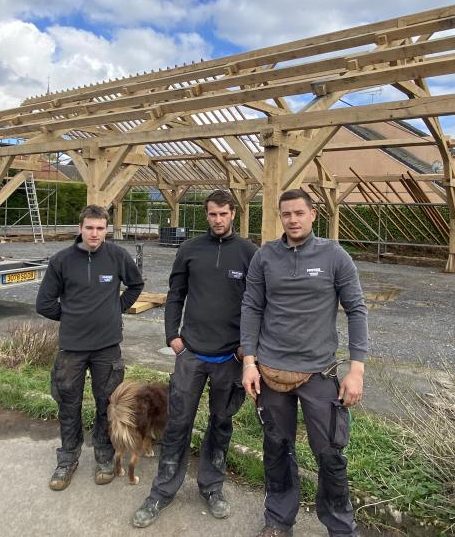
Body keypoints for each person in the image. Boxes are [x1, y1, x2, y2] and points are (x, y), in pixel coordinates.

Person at [240, 189, 369, 537]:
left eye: (299, 213)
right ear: (280, 217)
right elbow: (251, 307)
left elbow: (356, 309)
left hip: (318, 373)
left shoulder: (334, 255)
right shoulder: (265, 256)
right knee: (277, 448)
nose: (293, 220)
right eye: (286, 214)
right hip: (271, 371)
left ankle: (341, 527)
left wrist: (356, 370)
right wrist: (249, 363)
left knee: (329, 454)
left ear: (314, 214)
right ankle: (279, 520)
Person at [133, 190, 259, 528]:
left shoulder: (249, 253)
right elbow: (176, 295)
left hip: (229, 358)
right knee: (177, 424)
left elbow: (260, 303)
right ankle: (161, 491)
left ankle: (212, 487)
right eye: (212, 214)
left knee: (221, 424)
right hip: (191, 356)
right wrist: (173, 337)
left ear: (234, 213)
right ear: (206, 215)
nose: (218, 220)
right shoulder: (190, 250)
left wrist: (248, 348)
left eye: (223, 214)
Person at [36, 204, 144, 491]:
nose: (94, 234)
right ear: (80, 228)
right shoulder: (62, 261)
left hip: (107, 347)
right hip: (72, 347)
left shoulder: (117, 256)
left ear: (106, 229)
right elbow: (44, 303)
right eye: (89, 228)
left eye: (100, 228)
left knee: (107, 404)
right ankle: (68, 458)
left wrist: (115, 309)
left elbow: (136, 285)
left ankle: (104, 456)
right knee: (68, 403)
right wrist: (73, 317)